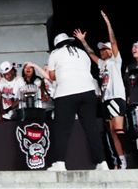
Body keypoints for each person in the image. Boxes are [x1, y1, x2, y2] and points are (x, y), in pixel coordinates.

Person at [30, 32, 106, 171]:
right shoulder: (82, 53)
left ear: (56, 45)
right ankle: (102, 162)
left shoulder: (55, 54)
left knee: (62, 130)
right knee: (91, 128)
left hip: (66, 93)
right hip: (88, 91)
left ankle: (60, 163)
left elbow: (52, 77)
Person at [76, 11, 128, 168]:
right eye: (101, 50)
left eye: (105, 49)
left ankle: (130, 156)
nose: (102, 51)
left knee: (119, 130)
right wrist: (83, 42)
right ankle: (121, 161)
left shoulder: (115, 61)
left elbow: (113, 42)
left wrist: (108, 23)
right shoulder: (102, 64)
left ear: (111, 51)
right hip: (106, 100)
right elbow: (91, 53)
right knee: (111, 132)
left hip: (117, 97)